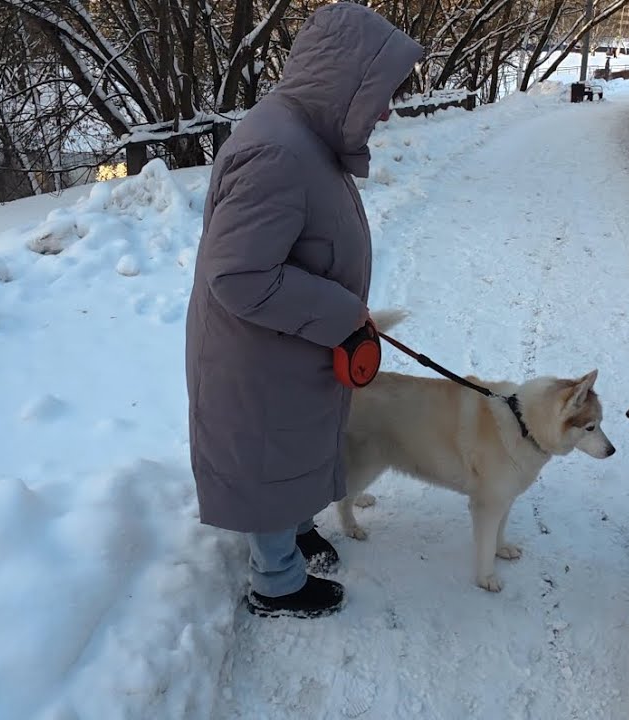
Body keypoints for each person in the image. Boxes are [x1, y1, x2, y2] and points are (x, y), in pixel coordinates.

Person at [184, 3, 423, 619]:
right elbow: (238, 275)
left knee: (297, 445)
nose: (386, 110)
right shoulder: (278, 152)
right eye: (379, 94)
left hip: (289, 344)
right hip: (258, 354)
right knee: (269, 457)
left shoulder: (306, 137)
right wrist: (344, 312)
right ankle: (277, 583)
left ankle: (293, 532)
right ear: (347, 81)